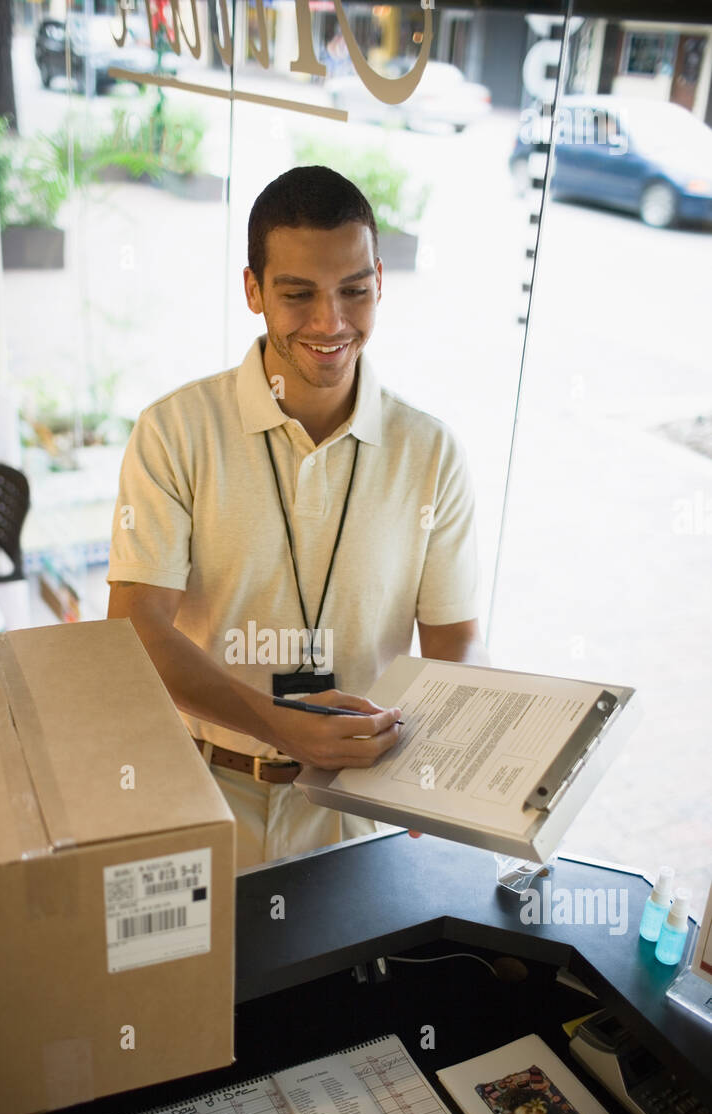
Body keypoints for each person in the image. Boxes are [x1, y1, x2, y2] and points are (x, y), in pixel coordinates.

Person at [107, 165, 488, 871]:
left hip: (358, 807)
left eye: (354, 291)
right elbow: (134, 630)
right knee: (203, 985)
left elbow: (455, 640)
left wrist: (439, 763)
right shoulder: (175, 431)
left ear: (379, 280)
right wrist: (280, 725)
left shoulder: (430, 451)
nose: (331, 322)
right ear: (253, 291)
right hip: (199, 791)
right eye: (298, 295)